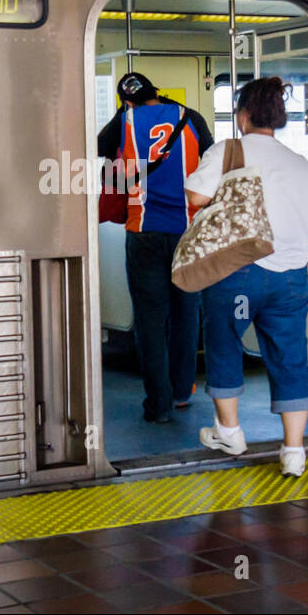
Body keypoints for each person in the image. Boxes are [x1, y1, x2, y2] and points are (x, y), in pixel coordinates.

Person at [184, 76, 308, 476]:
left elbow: (196, 197)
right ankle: (294, 451)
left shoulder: (228, 150)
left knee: (224, 343)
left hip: (236, 272)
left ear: (243, 116)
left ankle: (230, 431)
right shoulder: (298, 162)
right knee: (290, 357)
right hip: (289, 278)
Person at [98, 72, 214, 423]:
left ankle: (158, 405)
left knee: (150, 320)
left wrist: (124, 112)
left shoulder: (125, 121)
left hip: (144, 232)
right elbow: (212, 161)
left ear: (126, 101)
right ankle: (181, 392)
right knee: (186, 314)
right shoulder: (190, 117)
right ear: (156, 92)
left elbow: (99, 147)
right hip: (187, 231)